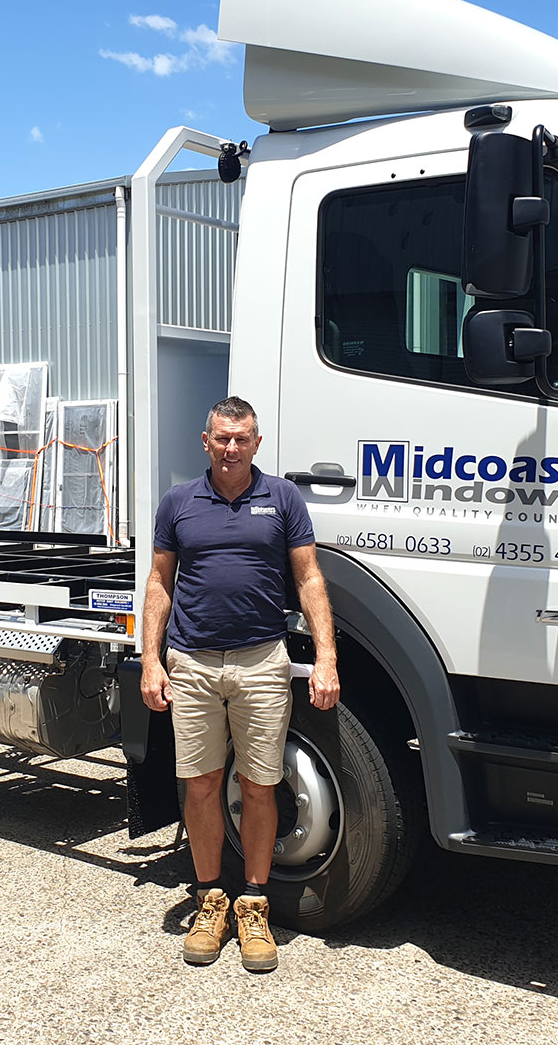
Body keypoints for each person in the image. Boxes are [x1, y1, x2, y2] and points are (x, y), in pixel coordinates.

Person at [140, 395, 339, 973]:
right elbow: (159, 583)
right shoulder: (178, 503)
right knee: (200, 787)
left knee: (258, 785)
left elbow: (308, 577)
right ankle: (209, 900)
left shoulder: (283, 499)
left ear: (257, 442)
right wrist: (151, 661)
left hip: (261, 663)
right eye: (222, 438)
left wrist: (325, 657)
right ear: (206, 441)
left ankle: (253, 903)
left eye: (242, 438)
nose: (232, 447)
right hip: (194, 665)